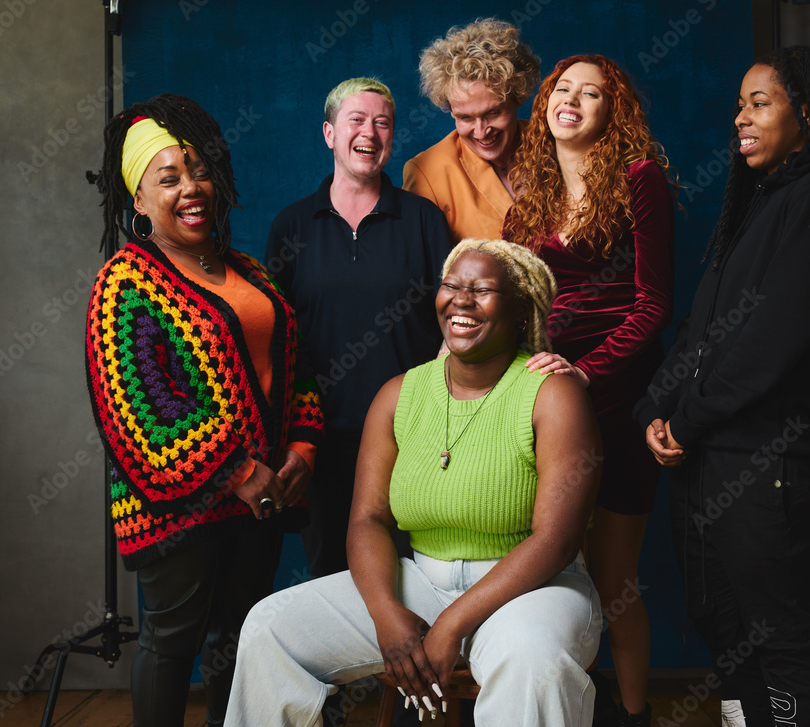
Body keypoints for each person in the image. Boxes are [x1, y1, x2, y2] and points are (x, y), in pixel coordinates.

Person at [224, 239, 603, 727]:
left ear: (522, 315)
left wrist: (451, 625)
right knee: (270, 628)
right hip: (423, 581)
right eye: (452, 286)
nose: (461, 300)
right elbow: (367, 520)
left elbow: (556, 540)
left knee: (533, 664)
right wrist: (386, 614)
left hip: (533, 592)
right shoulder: (399, 395)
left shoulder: (553, 394)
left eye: (483, 290)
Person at [634, 46, 810, 727]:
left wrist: (687, 421)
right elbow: (699, 330)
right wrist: (657, 406)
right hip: (707, 459)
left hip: (767, 462)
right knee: (727, 628)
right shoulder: (756, 204)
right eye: (739, 103)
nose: (741, 116)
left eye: (759, 102)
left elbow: (771, 343)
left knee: (781, 634)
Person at [86, 93, 325, 727]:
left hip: (264, 498)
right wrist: (241, 472)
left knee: (240, 642)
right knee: (173, 644)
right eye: (168, 178)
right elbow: (144, 410)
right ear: (138, 200)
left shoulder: (247, 269)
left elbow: (294, 372)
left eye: (198, 171)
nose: (191, 188)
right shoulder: (125, 283)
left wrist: (302, 447)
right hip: (178, 505)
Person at [503, 54, 677, 726]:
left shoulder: (640, 179)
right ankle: (570, 709)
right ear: (545, 103)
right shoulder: (533, 194)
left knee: (615, 580)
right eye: (562, 88)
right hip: (550, 405)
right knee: (554, 577)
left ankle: (634, 715)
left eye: (592, 92)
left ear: (614, 112)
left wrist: (587, 371)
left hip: (620, 395)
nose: (572, 99)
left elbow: (653, 304)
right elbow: (517, 301)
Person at [265, 77, 451, 581]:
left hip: (411, 434)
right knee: (331, 578)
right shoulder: (292, 227)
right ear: (329, 133)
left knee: (414, 581)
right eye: (357, 119)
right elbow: (275, 341)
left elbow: (455, 324)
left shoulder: (424, 220)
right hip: (320, 441)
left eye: (383, 122)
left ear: (392, 138)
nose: (370, 131)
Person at [403, 19, 540, 242]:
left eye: (493, 113)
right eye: (465, 117)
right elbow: (418, 265)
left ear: (518, 96)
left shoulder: (555, 144)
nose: (481, 131)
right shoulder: (426, 173)